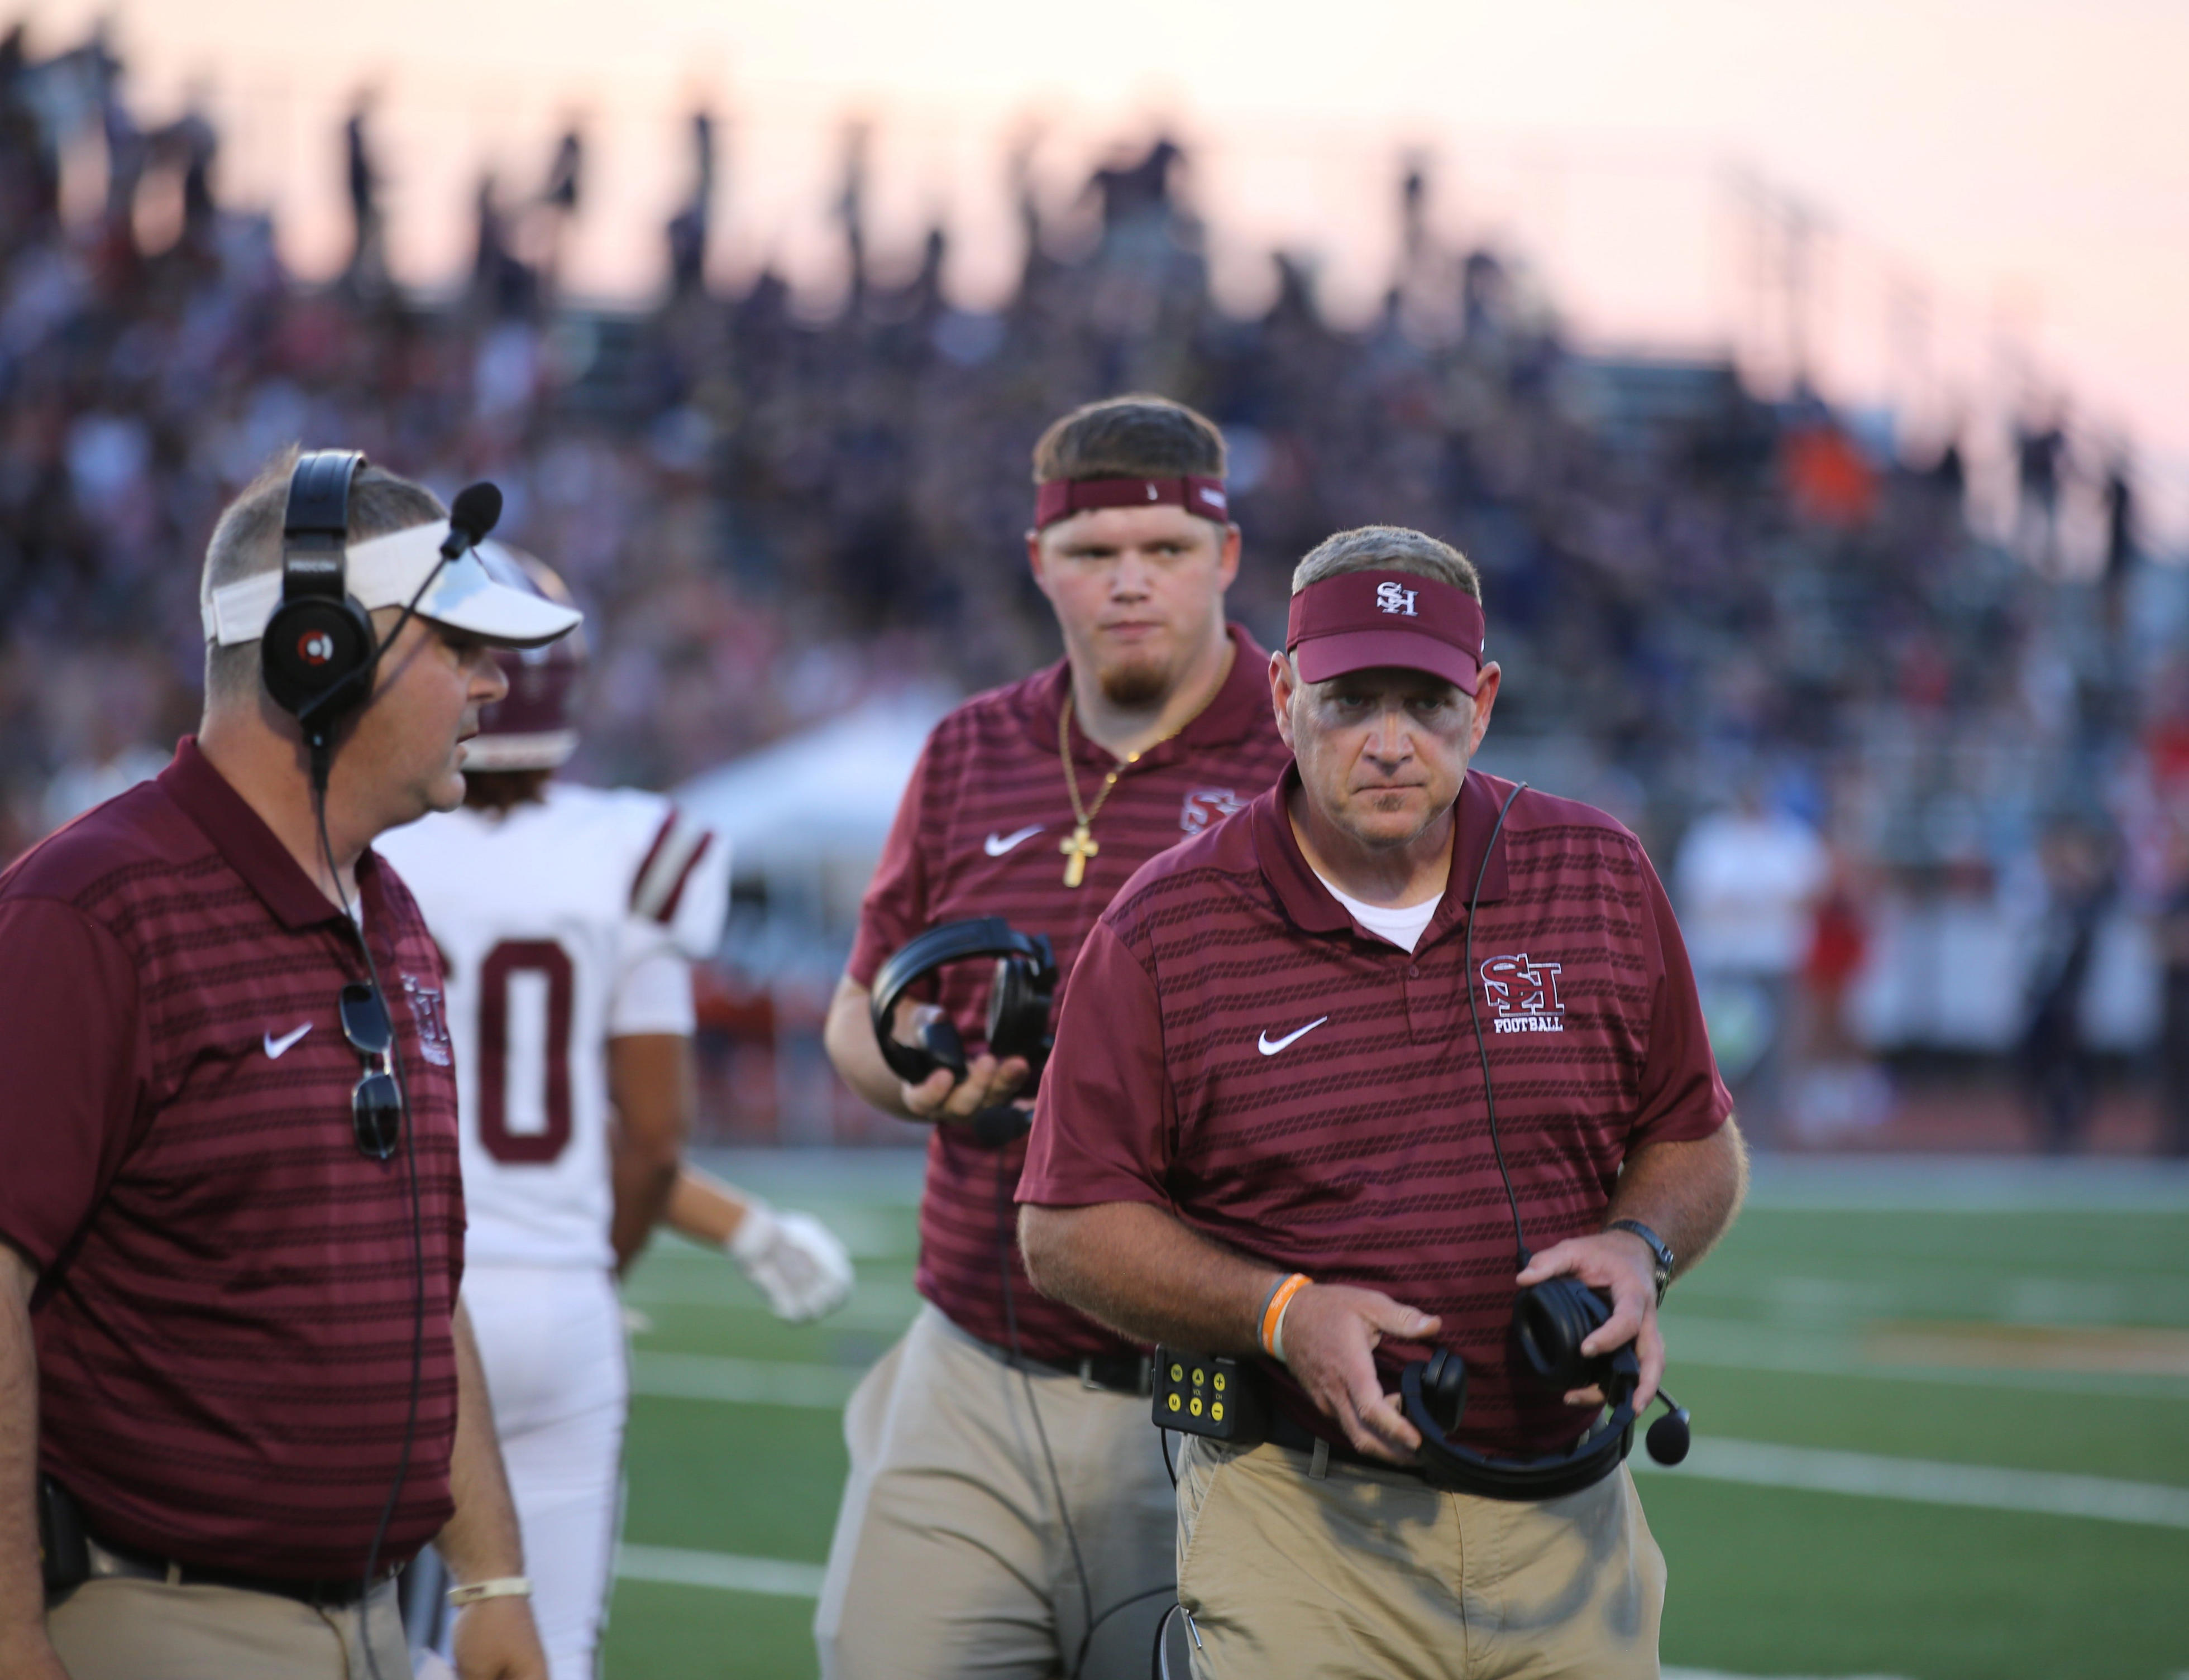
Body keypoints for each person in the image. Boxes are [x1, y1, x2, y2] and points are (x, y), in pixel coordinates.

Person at [1019, 525, 1747, 1679]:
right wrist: (1278, 1310)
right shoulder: (1164, 927)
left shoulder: (1598, 871)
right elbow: (1063, 1227)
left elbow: (1692, 1135)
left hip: (1575, 1524)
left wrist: (1637, 1240)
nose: (1392, 742)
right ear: (1282, 692)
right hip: (1301, 1522)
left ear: (1485, 701)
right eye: (1352, 699)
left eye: (1427, 702)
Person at [0, 449, 580, 1680]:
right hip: (159, 1616)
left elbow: (416, 1268)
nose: (497, 682)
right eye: (459, 644)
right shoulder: (92, 912)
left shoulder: (392, 908)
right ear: (316, 651)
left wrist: (492, 1574)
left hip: (376, 1619)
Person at [814, 395, 1294, 1679]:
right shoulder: (970, 745)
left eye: (1165, 549)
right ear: (1040, 564)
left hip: (1212, 1396)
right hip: (970, 1354)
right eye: (1092, 553)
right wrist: (915, 1076)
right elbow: (857, 1008)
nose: (1129, 582)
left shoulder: (1305, 753)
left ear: (1226, 557)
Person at [374, 545, 854, 1680]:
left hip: (401, 1290)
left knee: (369, 1639)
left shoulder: (368, 841)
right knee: (549, 1644)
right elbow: (645, 1141)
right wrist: (626, 1256)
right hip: (557, 1289)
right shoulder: (633, 848)